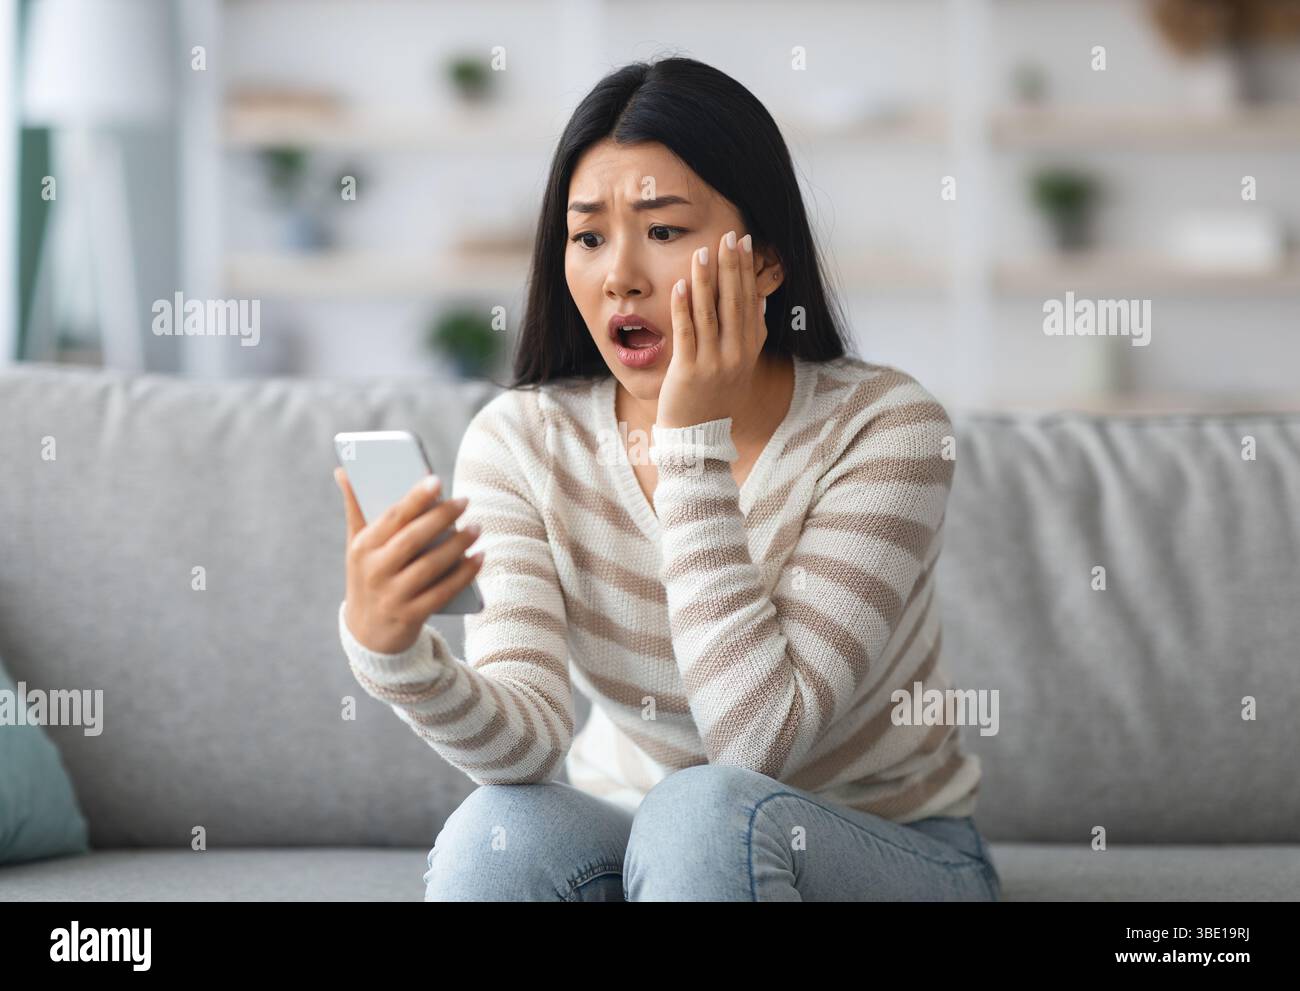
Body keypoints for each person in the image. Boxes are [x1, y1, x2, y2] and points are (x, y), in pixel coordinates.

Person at [334, 56, 1001, 902]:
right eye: (588, 236)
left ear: (764, 260)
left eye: (663, 230)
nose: (620, 274)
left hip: (887, 847)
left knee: (706, 810)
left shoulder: (885, 429)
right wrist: (394, 653)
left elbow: (760, 740)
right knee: (492, 834)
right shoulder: (523, 441)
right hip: (649, 839)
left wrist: (690, 443)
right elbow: (529, 745)